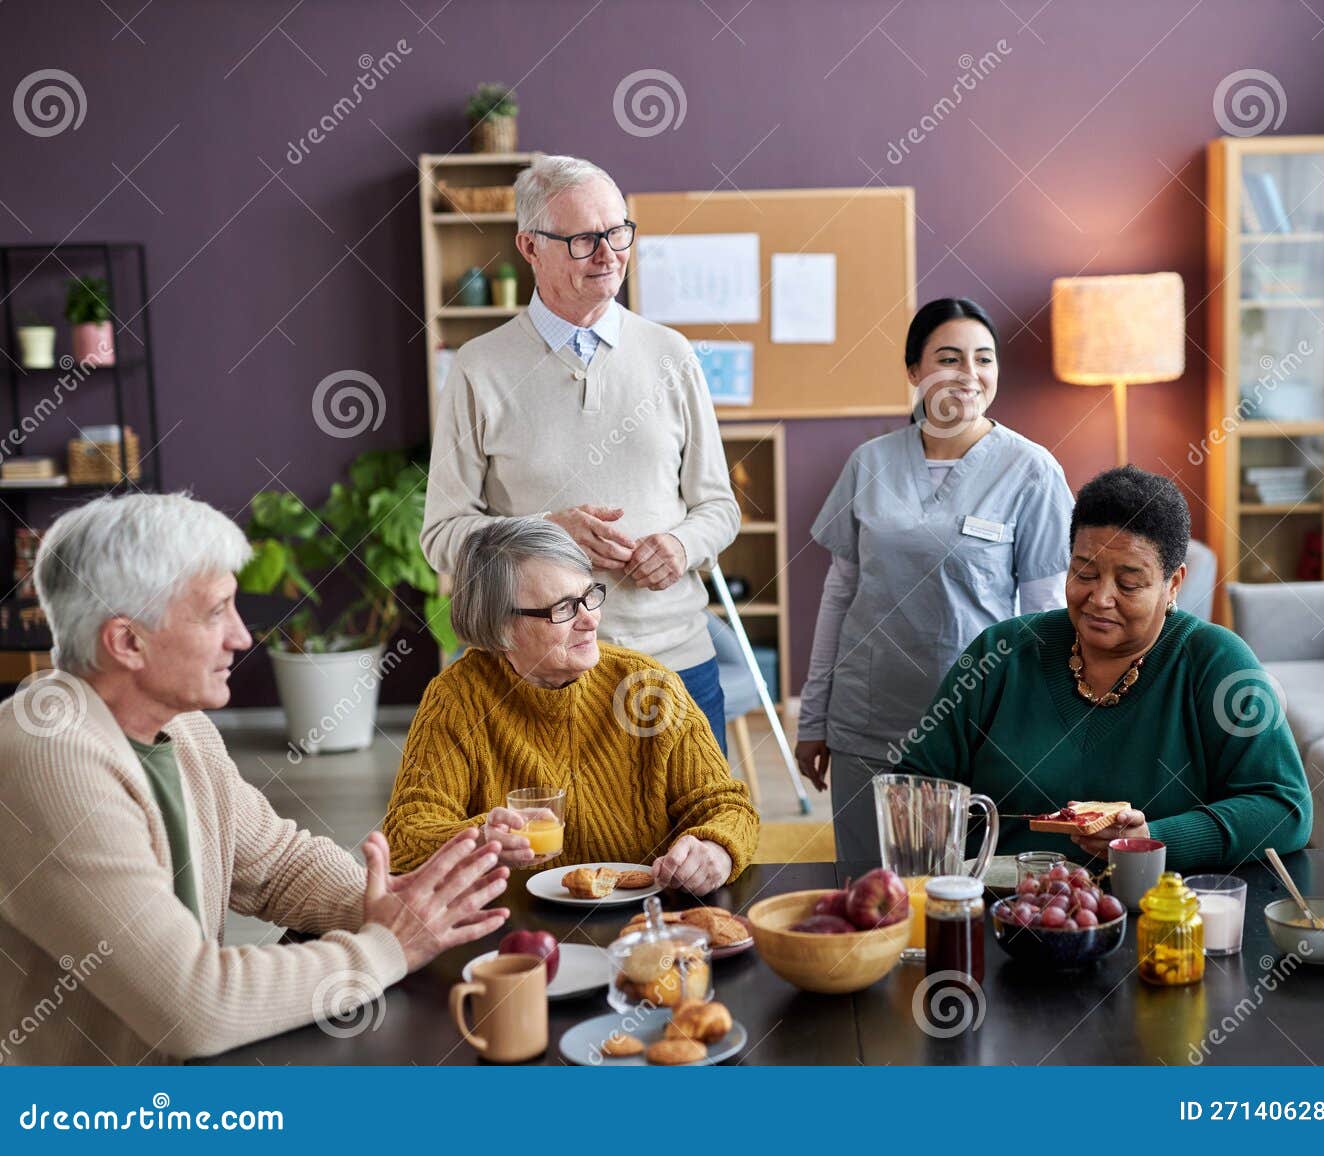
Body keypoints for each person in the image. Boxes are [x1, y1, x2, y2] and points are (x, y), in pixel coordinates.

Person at [0, 494, 510, 1065]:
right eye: (215, 612)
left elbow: (276, 864)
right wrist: (386, 946)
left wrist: (386, 902)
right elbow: (192, 1006)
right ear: (126, 642)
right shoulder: (48, 758)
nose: (242, 637)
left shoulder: (180, 726)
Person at [421, 153, 740, 750]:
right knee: (547, 845)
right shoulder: (478, 368)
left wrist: (680, 545)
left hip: (673, 667)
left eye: (619, 232)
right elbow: (441, 534)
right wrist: (544, 532)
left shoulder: (672, 356)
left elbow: (718, 508)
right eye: (584, 239)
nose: (609, 254)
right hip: (532, 678)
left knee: (699, 840)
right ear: (529, 246)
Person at [898, 465, 1312, 871]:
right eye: (1085, 571)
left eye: (1129, 583)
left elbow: (1284, 806)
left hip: (1155, 913)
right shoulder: (1000, 651)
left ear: (1174, 583)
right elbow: (913, 785)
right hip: (1001, 912)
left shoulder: (1217, 662)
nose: (1100, 598)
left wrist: (1154, 839)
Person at [794, 298, 1076, 860]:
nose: (969, 375)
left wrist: (1046, 728)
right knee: (868, 892)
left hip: (980, 724)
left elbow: (1046, 615)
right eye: (949, 358)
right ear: (913, 371)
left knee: (960, 893)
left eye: (984, 359)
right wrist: (814, 715)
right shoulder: (869, 463)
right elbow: (839, 596)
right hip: (867, 719)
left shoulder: (1031, 470)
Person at [383, 518, 758, 895]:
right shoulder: (457, 698)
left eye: (589, 596)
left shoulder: (646, 685)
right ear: (500, 629)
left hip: (640, 924)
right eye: (563, 609)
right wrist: (481, 839)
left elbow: (726, 806)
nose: (590, 619)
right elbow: (405, 836)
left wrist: (716, 849)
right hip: (507, 927)